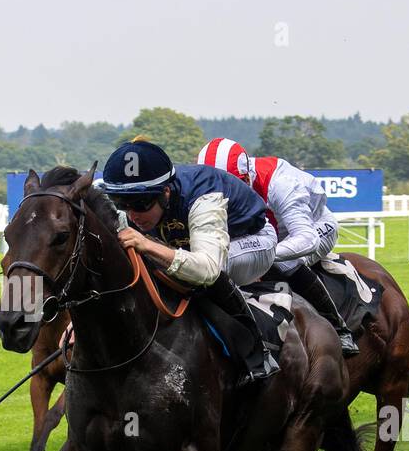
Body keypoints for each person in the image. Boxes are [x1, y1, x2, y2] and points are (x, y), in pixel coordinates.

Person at [99, 138, 280, 383]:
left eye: (141, 204)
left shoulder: (203, 197)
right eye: (122, 203)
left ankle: (257, 355)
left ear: (165, 193)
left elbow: (207, 269)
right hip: (189, 241)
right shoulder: (139, 203)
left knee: (200, 278)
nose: (132, 214)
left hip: (252, 239)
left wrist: (147, 244)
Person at [197, 137, 358, 354]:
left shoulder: (280, 183)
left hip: (314, 228)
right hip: (266, 232)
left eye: (229, 186)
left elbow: (307, 238)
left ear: (244, 179)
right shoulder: (216, 178)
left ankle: (340, 329)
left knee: (284, 263)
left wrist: (262, 255)